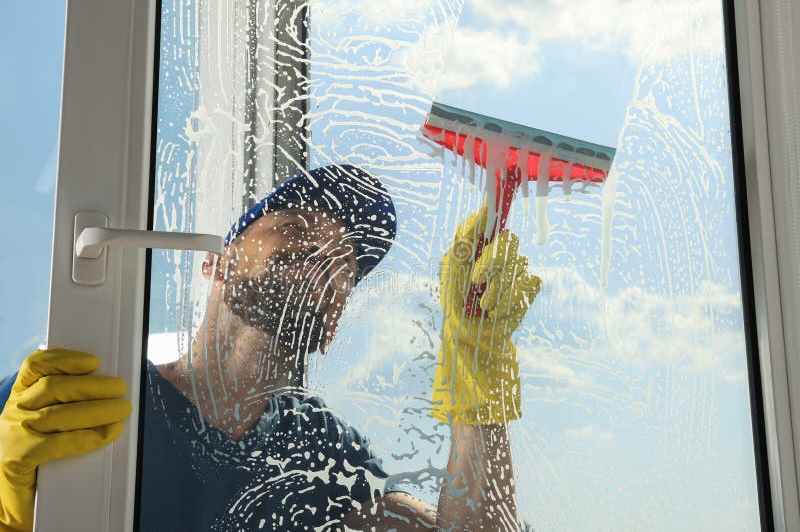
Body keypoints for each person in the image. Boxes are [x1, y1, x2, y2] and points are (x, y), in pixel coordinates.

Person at [0, 164, 541, 531]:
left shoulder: (322, 450)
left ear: (332, 326)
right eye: (295, 225)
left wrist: (477, 366)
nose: (320, 252)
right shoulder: (71, 397)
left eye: (343, 265)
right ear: (214, 262)